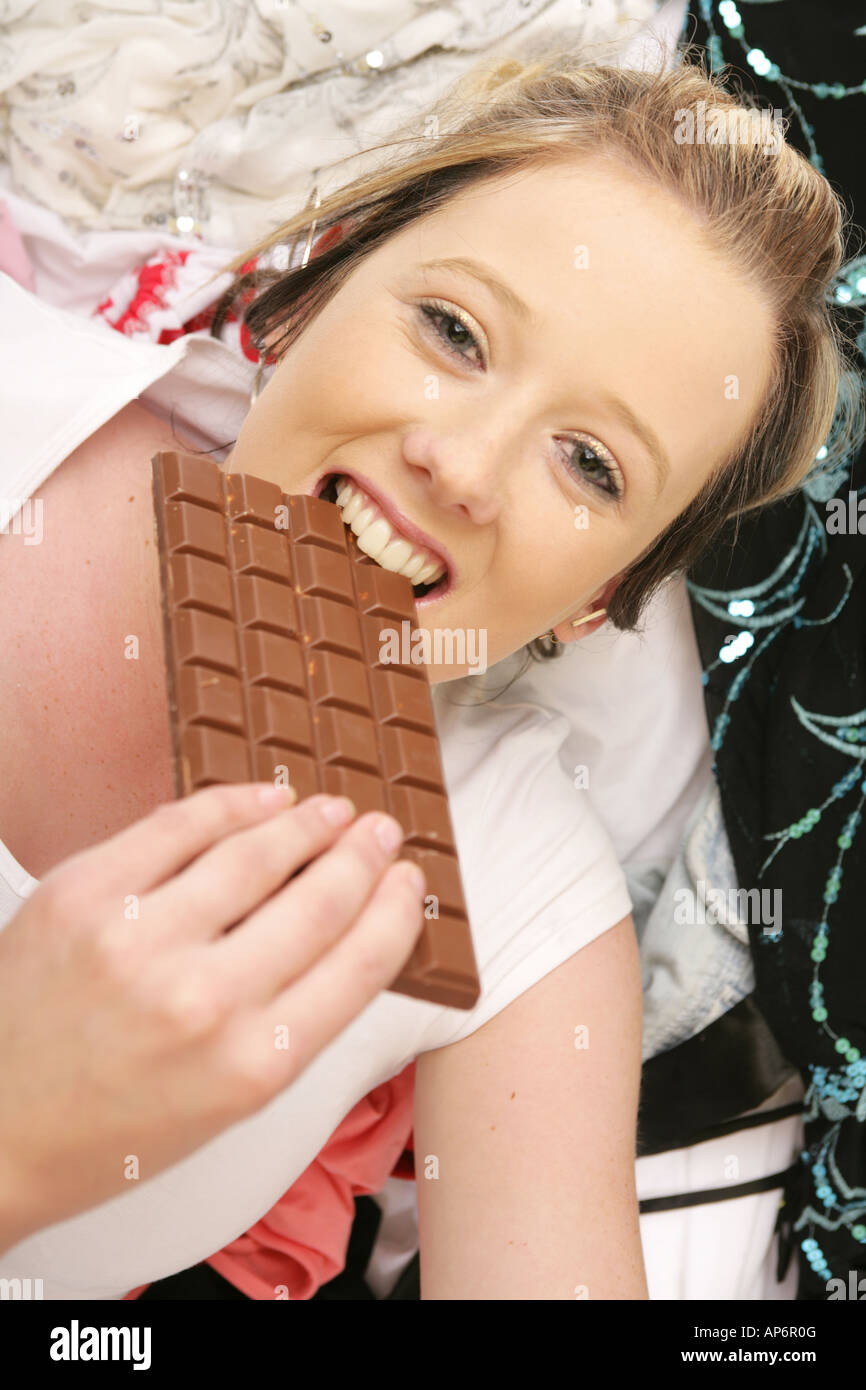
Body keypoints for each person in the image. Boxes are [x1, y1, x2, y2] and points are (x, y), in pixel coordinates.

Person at [0, 45, 856, 1297]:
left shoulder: (519, 905)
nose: (461, 466)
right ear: (305, 297)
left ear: (596, 598)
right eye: (453, 331)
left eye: (590, 465)